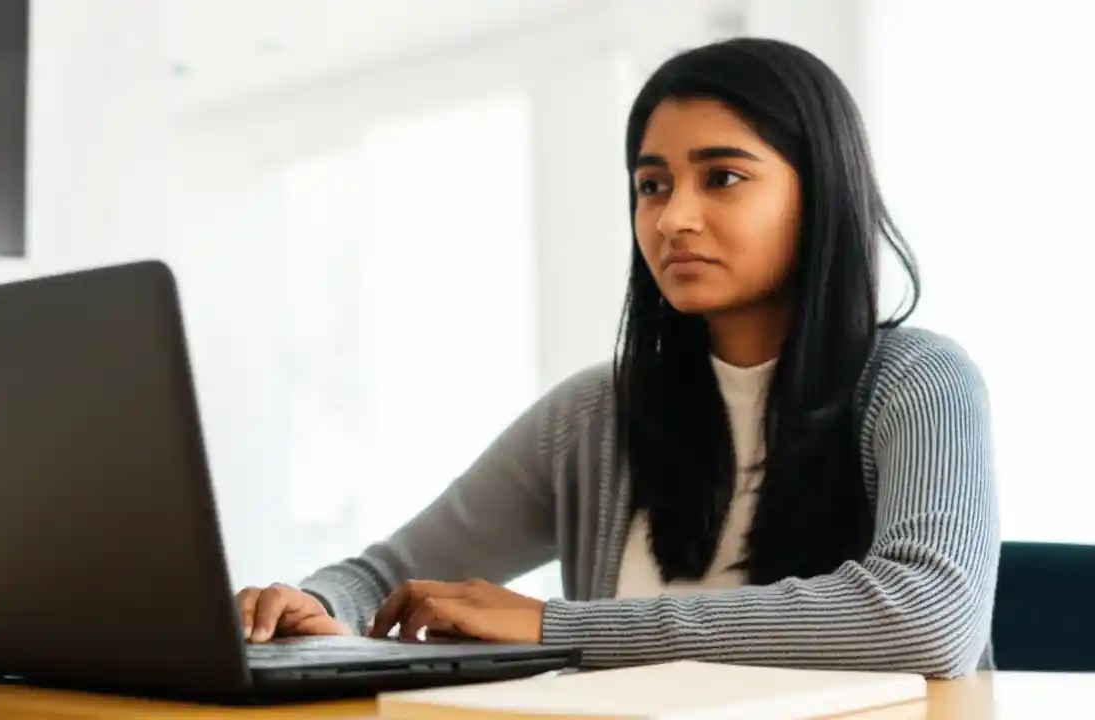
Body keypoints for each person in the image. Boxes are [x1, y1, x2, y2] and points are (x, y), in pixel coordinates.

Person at [235, 37, 998, 678]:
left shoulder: (919, 381)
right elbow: (378, 579)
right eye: (652, 184)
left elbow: (927, 620)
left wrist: (555, 627)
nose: (673, 218)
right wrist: (313, 609)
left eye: (722, 178)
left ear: (822, 191)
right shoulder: (592, 417)